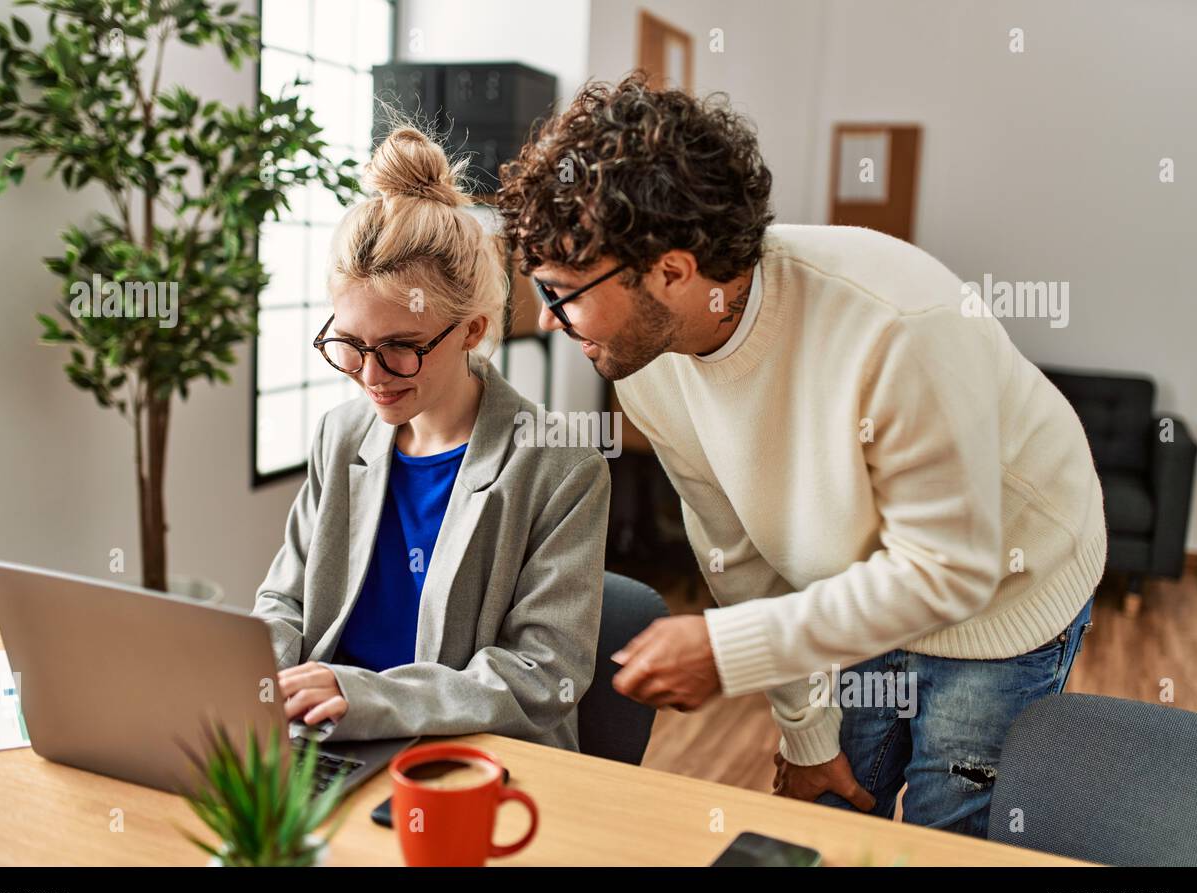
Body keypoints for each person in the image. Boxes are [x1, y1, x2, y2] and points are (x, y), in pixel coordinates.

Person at [495, 73, 1105, 836]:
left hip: (1003, 596)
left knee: (948, 840)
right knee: (829, 816)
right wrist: (806, 734)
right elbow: (738, 559)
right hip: (852, 591)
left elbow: (949, 569)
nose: (551, 322)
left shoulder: (898, 323)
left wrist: (726, 651)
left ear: (674, 271)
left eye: (563, 292)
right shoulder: (645, 357)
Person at [252, 124, 609, 750]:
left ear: (472, 331)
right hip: (326, 740)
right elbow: (283, 602)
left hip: (464, 758)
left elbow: (544, 678)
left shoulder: (562, 468)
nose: (369, 376)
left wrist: (364, 696)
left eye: (399, 349)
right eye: (351, 345)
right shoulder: (341, 437)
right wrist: (254, 681)